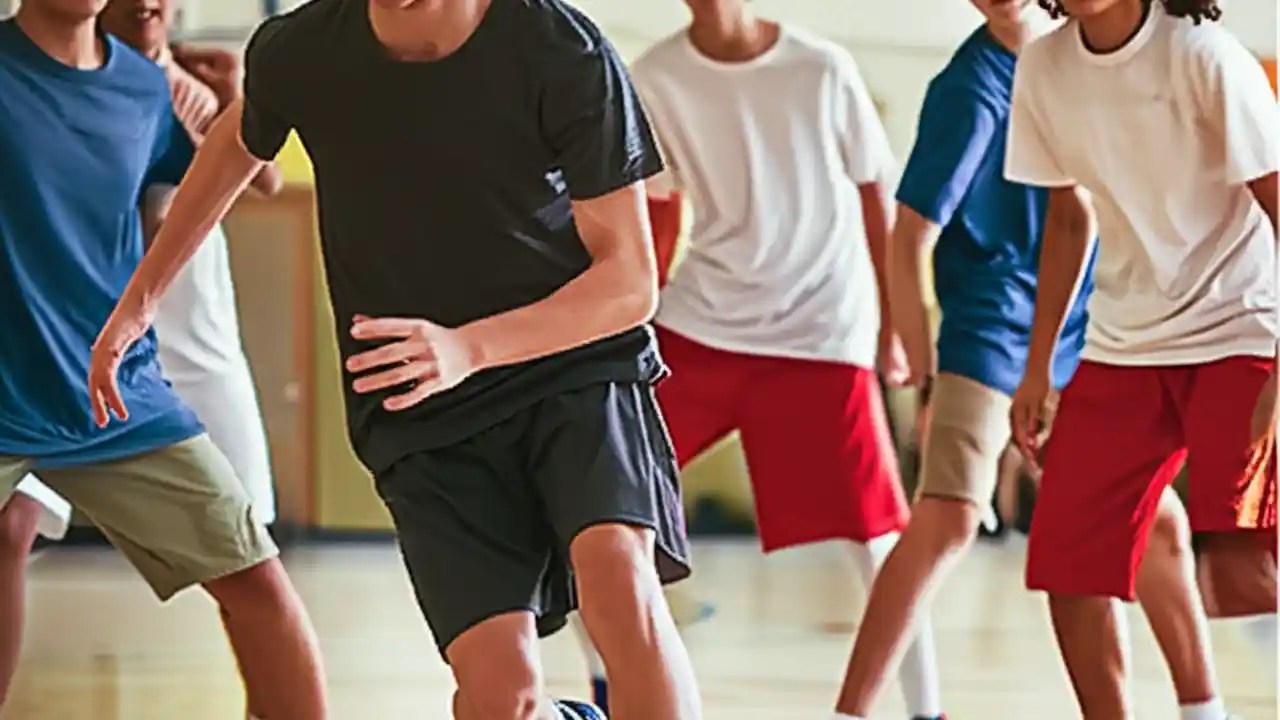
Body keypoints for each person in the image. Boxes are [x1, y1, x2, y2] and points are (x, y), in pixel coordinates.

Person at [89, 1, 701, 719]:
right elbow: (238, 139)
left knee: (620, 588)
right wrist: (139, 302)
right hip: (418, 400)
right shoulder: (307, 47)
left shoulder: (556, 46)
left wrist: (467, 347)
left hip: (568, 365)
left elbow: (630, 282)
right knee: (502, 697)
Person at [832, 2, 1248, 718]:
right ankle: (856, 710)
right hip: (996, 332)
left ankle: (1201, 704)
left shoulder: (1122, 56)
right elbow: (913, 237)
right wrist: (924, 371)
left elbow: (1087, 214)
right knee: (952, 519)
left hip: (1094, 326)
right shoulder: (976, 87)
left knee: (1159, 524)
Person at [571, 2, 946, 719]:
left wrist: (898, 325)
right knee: (591, 503)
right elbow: (659, 215)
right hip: (705, 322)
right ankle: (608, 694)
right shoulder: (656, 77)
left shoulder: (822, 67)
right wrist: (622, 324)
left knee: (878, 542)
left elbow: (878, 199)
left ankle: (925, 710)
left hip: (820, 329)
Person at [0, 0, 327, 718]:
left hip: (115, 391)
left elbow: (240, 171)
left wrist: (237, 97)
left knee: (260, 587)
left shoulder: (146, 91)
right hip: (5, 390)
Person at [1005, 0, 1278, 716]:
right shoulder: (1044, 65)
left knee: (1252, 565)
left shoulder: (1203, 56)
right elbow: (1069, 219)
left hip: (1240, 329)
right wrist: (1038, 369)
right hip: (1125, 342)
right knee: (1069, 562)